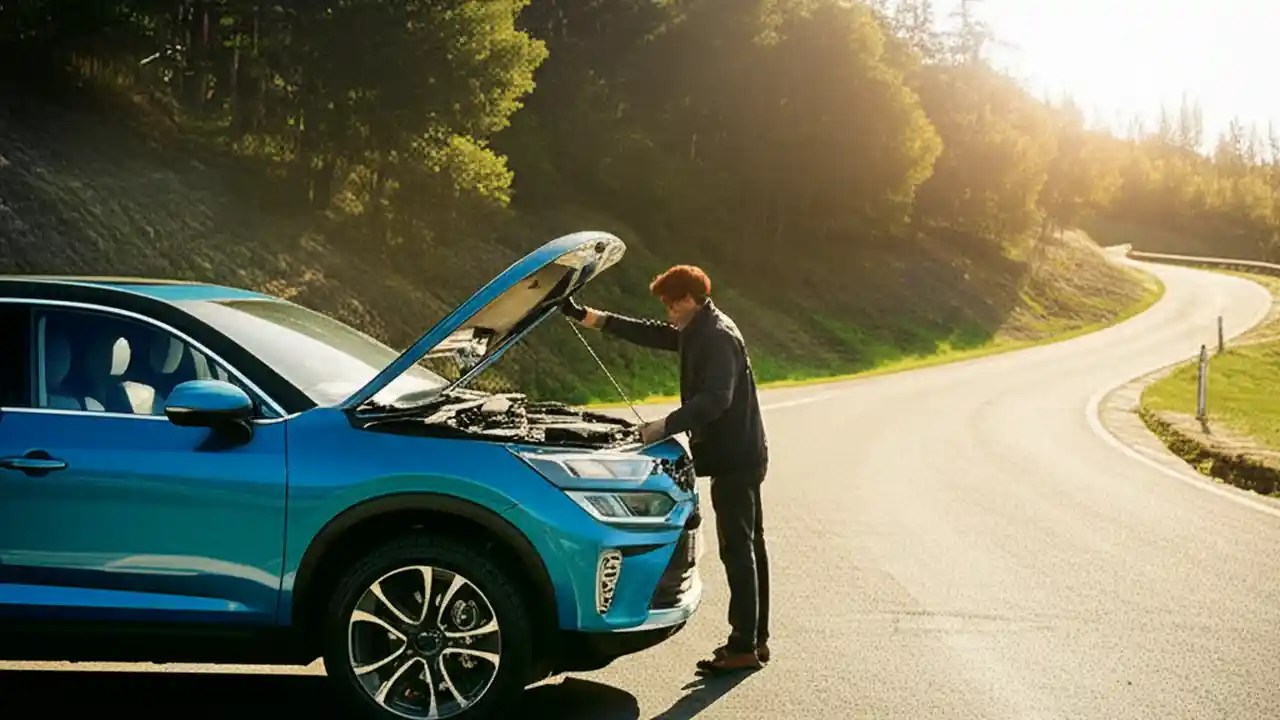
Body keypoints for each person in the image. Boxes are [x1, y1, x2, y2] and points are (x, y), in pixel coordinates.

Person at [561, 264, 770, 673]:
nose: (670, 314)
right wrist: (590, 317)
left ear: (688, 299)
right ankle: (756, 640)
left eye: (673, 306)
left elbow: (715, 400)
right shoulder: (700, 326)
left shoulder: (717, 337)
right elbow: (651, 332)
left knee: (739, 550)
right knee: (751, 547)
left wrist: (661, 427)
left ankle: (743, 645)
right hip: (742, 453)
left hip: (736, 458)